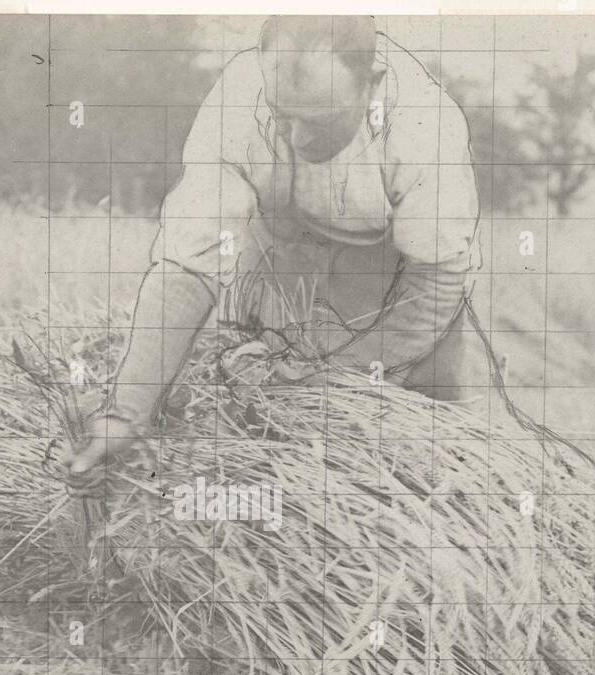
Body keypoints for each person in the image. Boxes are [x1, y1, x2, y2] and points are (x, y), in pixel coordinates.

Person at [64, 15, 487, 476]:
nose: (298, 138)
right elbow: (189, 264)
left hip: (398, 280)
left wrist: (338, 380)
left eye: (320, 120)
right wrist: (128, 410)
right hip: (282, 257)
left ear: (372, 84)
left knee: (434, 451)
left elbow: (435, 280)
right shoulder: (240, 100)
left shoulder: (425, 125)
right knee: (263, 425)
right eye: (283, 117)